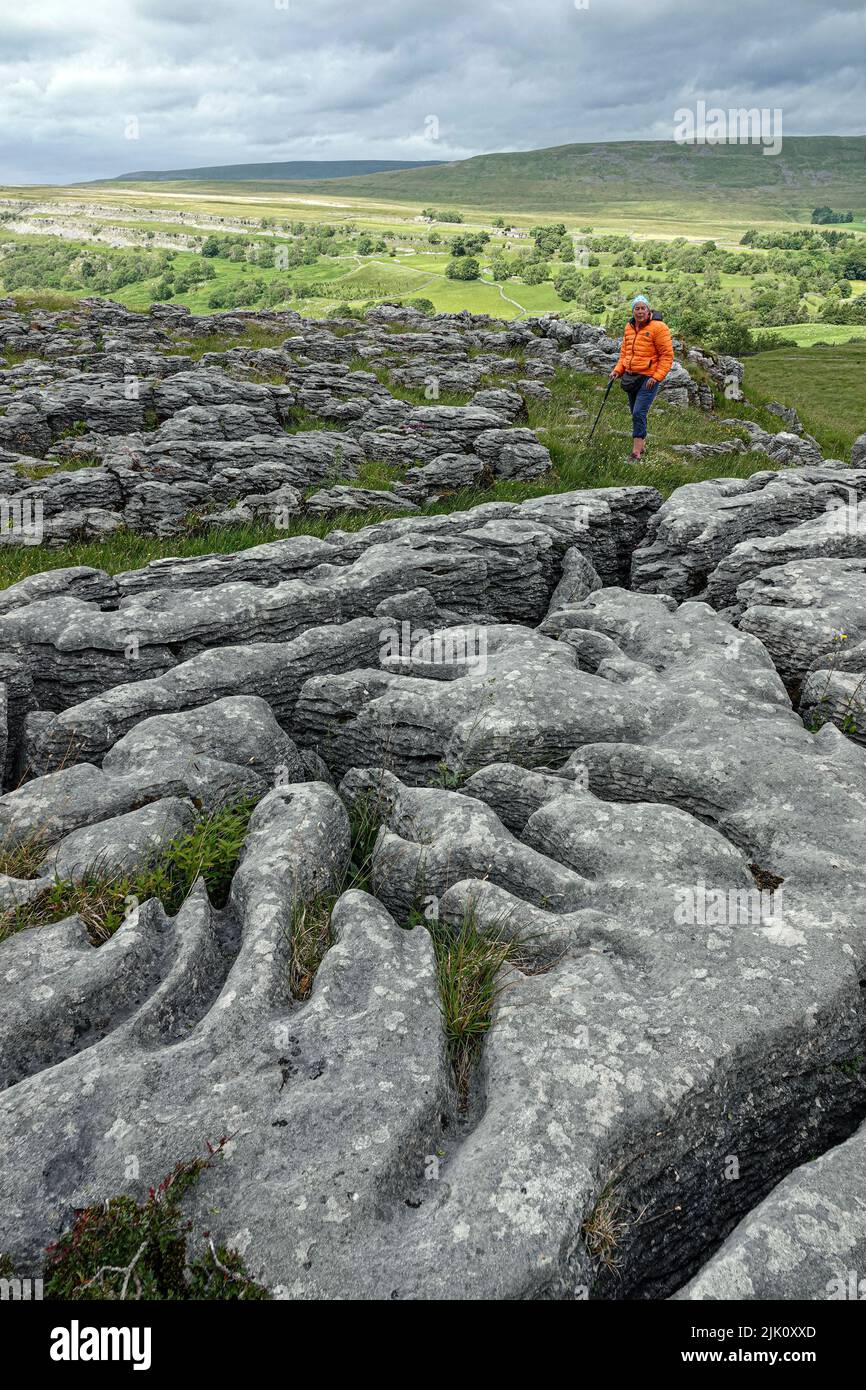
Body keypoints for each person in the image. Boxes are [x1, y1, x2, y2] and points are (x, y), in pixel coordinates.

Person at [609, 294, 674, 461]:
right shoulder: (629, 327)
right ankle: (642, 446)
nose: (640, 311)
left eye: (643, 308)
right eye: (636, 308)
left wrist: (657, 377)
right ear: (632, 310)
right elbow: (625, 353)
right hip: (631, 377)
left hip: (648, 378)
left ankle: (635, 453)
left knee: (638, 412)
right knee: (635, 413)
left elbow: (667, 356)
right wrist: (618, 370)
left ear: (648, 310)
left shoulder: (659, 327)